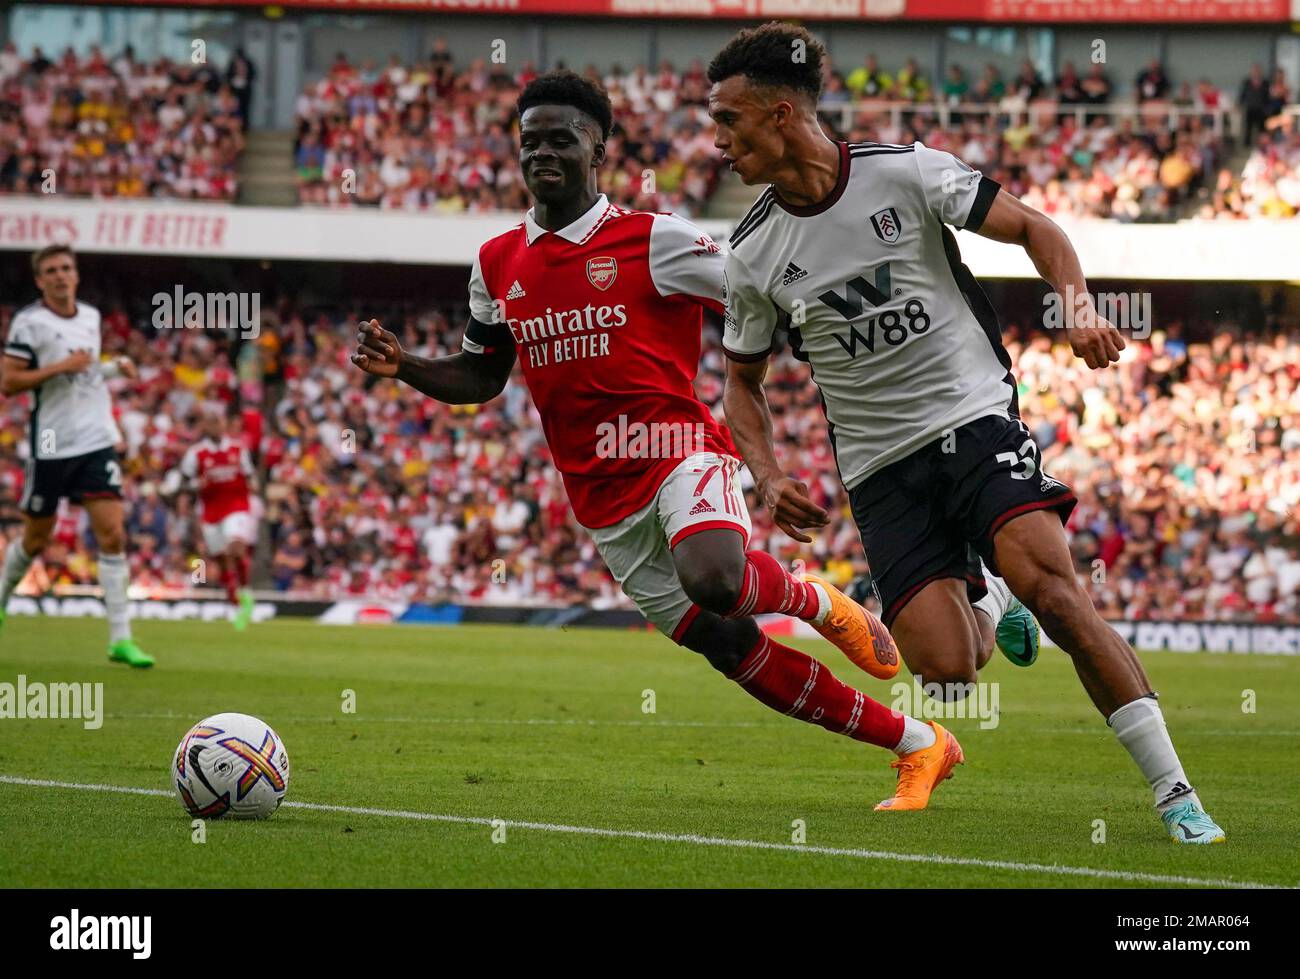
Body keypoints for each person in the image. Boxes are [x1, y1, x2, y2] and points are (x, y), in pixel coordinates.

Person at [354, 70, 965, 812]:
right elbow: (483, 375)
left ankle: (817, 602)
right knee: (729, 643)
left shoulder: (656, 240)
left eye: (561, 138)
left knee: (714, 574)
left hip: (680, 450)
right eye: (529, 142)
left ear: (599, 149)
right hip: (601, 500)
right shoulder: (496, 263)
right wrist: (406, 367)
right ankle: (918, 744)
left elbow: (759, 296)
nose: (543, 153)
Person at [707, 22, 1223, 842]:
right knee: (948, 670)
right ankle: (992, 592)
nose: (717, 142)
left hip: (972, 416)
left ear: (778, 115)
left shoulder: (907, 173)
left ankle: (1175, 792)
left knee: (1059, 591)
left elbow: (1037, 230)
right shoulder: (752, 253)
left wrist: (1077, 306)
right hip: (880, 470)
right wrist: (765, 474)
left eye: (727, 121)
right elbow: (742, 382)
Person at [0, 244, 154, 666]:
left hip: (95, 440)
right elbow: (10, 382)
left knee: (113, 535)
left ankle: (120, 639)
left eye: (66, 268)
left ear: (76, 274)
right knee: (35, 540)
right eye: (50, 270)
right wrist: (59, 367)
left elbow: (84, 371)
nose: (60, 275)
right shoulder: (29, 324)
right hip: (50, 445)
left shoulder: (90, 316)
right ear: (39, 280)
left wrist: (112, 367)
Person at [175, 411, 258, 630]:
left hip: (237, 506)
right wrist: (195, 485)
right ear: (205, 426)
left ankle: (247, 592)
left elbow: (250, 476)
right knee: (221, 560)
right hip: (211, 513)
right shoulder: (197, 453)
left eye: (218, 421)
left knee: (236, 548)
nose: (215, 425)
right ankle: (236, 602)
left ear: (224, 424)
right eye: (210, 422)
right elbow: (182, 483)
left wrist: (253, 486)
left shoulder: (238, 449)